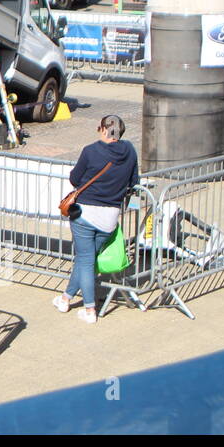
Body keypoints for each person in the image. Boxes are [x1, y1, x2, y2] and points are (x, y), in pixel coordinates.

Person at [56, 114, 139, 324]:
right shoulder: (130, 151)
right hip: (109, 217)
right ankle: (65, 298)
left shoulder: (91, 151)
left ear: (103, 129)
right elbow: (134, 181)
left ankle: (89, 309)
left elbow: (74, 178)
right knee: (87, 259)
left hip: (85, 214)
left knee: (85, 259)